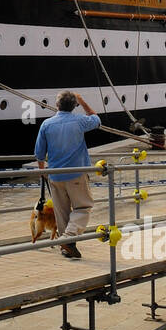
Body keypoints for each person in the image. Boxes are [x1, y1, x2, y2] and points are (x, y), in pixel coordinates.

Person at [34, 90, 102, 259]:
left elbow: (39, 153)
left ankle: (67, 248)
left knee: (62, 213)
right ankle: (67, 238)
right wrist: (83, 101)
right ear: (74, 106)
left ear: (57, 105)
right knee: (83, 207)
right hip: (77, 174)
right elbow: (97, 120)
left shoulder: (47, 124)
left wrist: (43, 172)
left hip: (55, 174)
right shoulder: (80, 121)